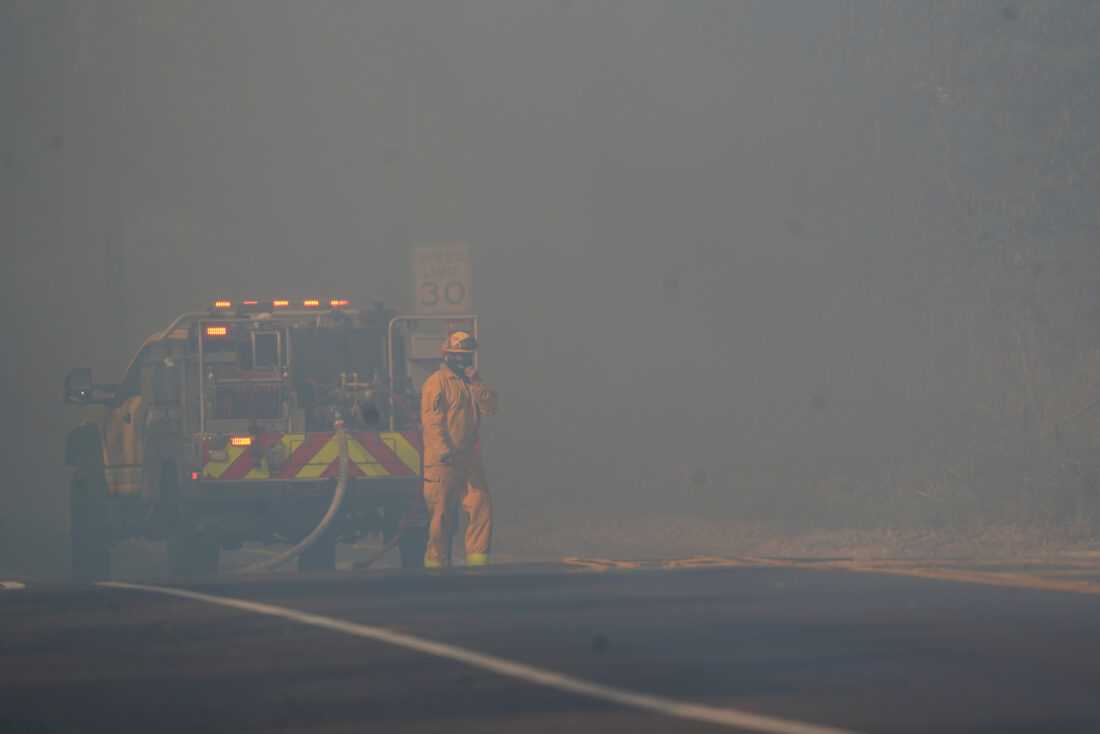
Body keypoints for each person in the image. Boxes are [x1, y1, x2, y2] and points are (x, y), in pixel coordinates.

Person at [420, 331, 499, 566]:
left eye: (468, 356)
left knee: (481, 506)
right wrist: (443, 451)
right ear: (449, 356)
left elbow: (491, 407)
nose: (465, 361)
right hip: (442, 461)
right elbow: (432, 421)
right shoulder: (436, 383)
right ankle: (435, 569)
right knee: (440, 518)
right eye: (460, 356)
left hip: (467, 460)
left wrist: (476, 381)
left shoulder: (470, 383)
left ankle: (478, 568)